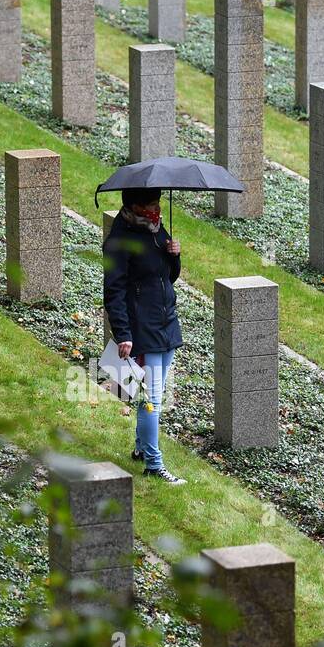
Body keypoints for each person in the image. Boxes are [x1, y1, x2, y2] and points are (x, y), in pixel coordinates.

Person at [102, 188, 186, 485]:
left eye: (158, 203)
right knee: (153, 399)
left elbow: (166, 277)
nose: (156, 209)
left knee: (153, 393)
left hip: (166, 322)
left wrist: (173, 257)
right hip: (142, 329)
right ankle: (154, 463)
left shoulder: (156, 229)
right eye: (150, 205)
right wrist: (123, 333)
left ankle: (140, 448)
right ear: (135, 206)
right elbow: (114, 292)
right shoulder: (120, 240)